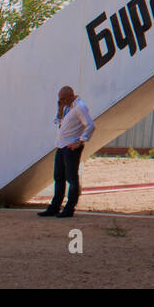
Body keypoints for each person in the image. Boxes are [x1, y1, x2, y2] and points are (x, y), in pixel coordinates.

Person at [38, 85, 94, 217]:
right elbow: (58, 122)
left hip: (71, 147)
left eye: (63, 98)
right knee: (59, 176)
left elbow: (91, 125)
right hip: (61, 146)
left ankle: (70, 208)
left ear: (70, 96)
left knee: (71, 178)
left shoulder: (80, 107)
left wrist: (80, 141)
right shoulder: (67, 107)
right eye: (59, 99)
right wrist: (59, 109)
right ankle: (55, 206)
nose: (61, 101)